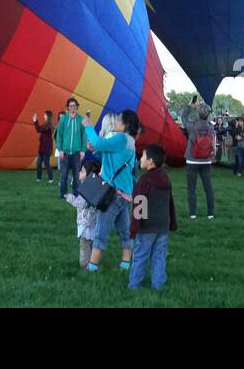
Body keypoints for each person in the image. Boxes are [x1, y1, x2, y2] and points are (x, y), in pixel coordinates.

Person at [84, 110, 138, 273]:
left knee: (101, 231)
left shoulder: (120, 138)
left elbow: (100, 144)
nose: (116, 122)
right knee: (125, 231)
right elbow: (108, 155)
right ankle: (126, 263)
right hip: (125, 194)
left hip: (112, 195)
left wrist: (88, 127)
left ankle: (92, 267)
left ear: (126, 124)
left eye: (119, 120)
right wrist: (94, 151)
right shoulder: (130, 141)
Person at [128, 144, 177, 290]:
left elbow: (139, 207)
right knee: (159, 256)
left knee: (140, 256)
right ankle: (158, 284)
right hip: (162, 226)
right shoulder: (165, 179)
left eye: (142, 156)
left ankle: (134, 285)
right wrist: (172, 223)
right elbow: (170, 203)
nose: (140, 159)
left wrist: (134, 228)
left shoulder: (144, 181)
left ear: (150, 161)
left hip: (146, 227)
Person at [63, 158, 102, 267]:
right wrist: (70, 180)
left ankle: (85, 264)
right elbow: (77, 183)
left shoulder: (87, 188)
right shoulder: (93, 185)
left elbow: (82, 203)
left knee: (84, 244)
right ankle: (93, 261)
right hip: (93, 221)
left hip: (86, 222)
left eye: (82, 171)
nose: (79, 173)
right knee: (91, 243)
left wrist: (69, 197)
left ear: (89, 175)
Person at [181, 102, 215, 219]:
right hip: (206, 160)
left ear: (198, 113)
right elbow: (213, 144)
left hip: (192, 160)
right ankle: (210, 214)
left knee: (191, 188)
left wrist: (189, 105)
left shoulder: (192, 126)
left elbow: (183, 118)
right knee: (208, 188)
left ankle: (192, 214)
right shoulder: (211, 127)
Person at [55, 98, 85, 197]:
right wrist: (60, 149)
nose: (72, 107)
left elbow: (84, 135)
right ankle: (63, 194)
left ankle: (76, 194)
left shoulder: (81, 119)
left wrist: (83, 150)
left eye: (74, 105)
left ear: (77, 107)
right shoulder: (63, 119)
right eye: (71, 106)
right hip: (65, 153)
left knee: (76, 176)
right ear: (68, 107)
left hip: (77, 153)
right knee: (63, 175)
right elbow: (59, 134)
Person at [32, 111, 55, 183]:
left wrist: (35, 121)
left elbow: (39, 130)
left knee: (46, 164)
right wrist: (35, 121)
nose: (43, 116)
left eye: (44, 115)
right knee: (39, 163)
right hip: (42, 148)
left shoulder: (49, 125)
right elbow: (39, 129)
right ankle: (39, 177)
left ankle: (51, 178)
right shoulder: (45, 124)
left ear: (48, 116)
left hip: (46, 149)